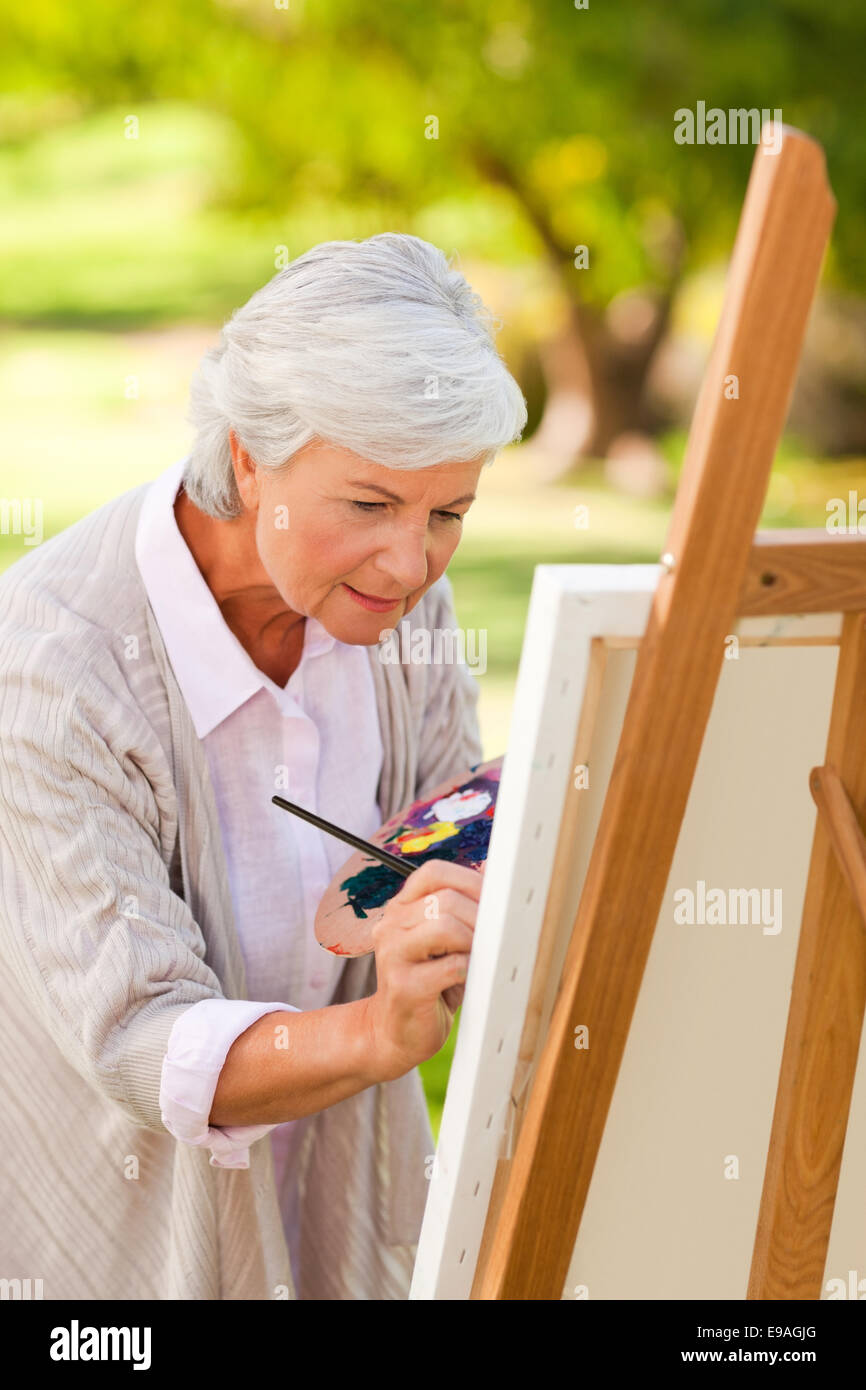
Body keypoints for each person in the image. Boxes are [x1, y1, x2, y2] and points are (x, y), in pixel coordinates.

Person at [0, 232, 527, 1300]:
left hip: (335, 1216)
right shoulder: (54, 667)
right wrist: (377, 1031)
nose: (411, 562)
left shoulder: (403, 612)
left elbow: (446, 857)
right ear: (247, 455)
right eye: (369, 505)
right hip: (119, 1263)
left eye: (449, 515)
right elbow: (140, 1041)